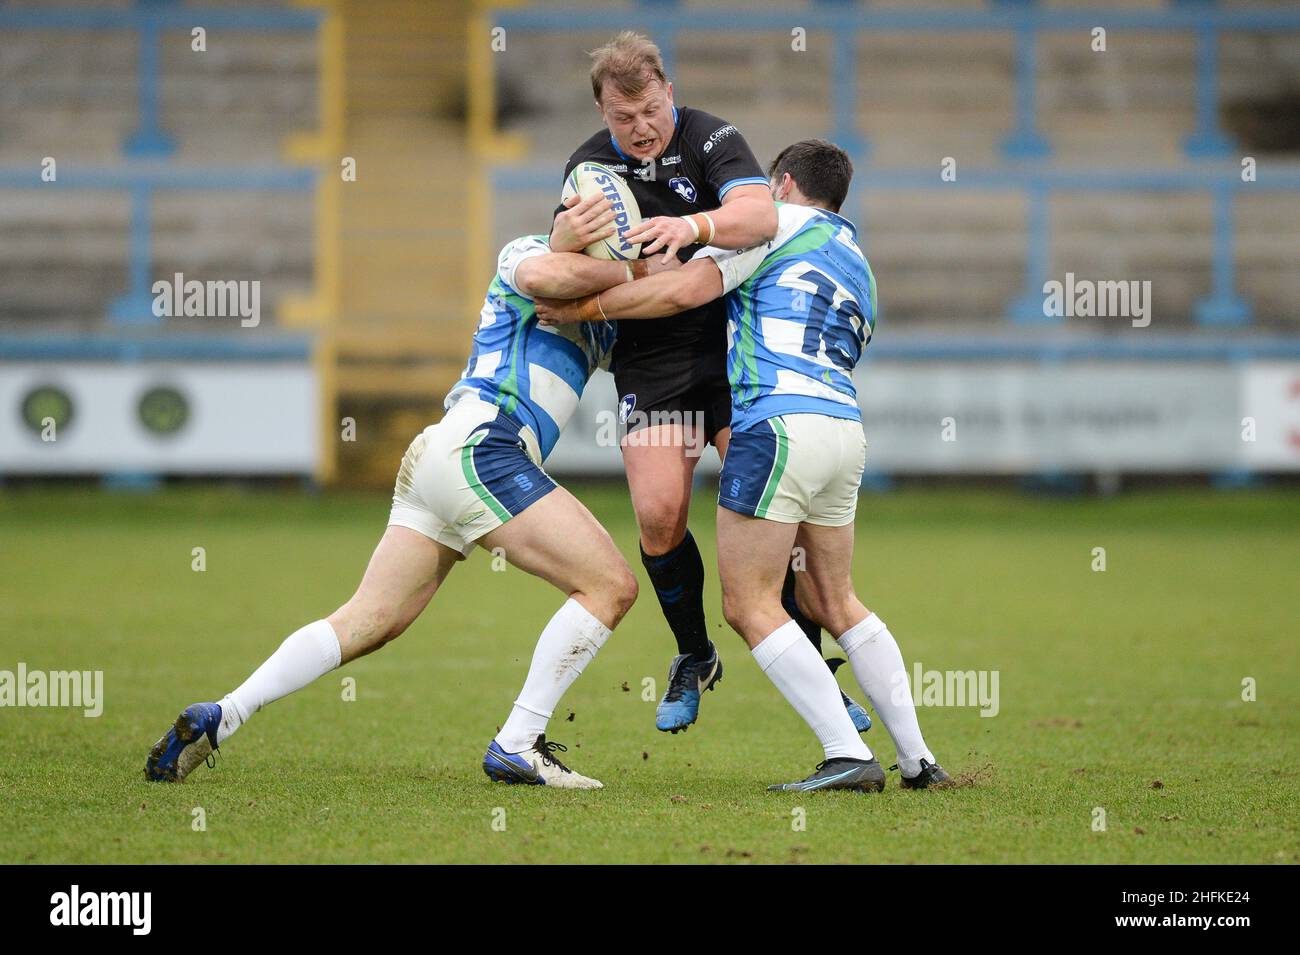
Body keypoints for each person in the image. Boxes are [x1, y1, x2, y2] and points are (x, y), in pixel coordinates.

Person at [143, 218, 678, 790]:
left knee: (369, 620)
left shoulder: (603, 312)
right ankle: (518, 744)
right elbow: (553, 271)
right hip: (484, 445)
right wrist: (644, 267)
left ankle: (224, 714)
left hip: (444, 451)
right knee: (610, 586)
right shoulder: (530, 254)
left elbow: (653, 323)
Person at [537, 141, 949, 791]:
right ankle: (918, 758)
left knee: (748, 602)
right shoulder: (858, 263)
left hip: (777, 426)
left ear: (780, 185)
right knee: (834, 598)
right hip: (843, 429)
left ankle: (846, 752)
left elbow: (680, 292)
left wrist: (584, 308)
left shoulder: (768, 227)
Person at [550, 32, 867, 736]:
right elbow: (560, 267)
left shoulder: (711, 135)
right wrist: (575, 244)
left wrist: (688, 225)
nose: (638, 129)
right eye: (620, 117)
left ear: (668, 87)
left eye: (648, 110)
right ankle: (694, 656)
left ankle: (816, 676)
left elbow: (758, 217)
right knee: (660, 517)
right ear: (603, 110)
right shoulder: (587, 169)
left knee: (772, 519)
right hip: (653, 361)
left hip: (730, 353)